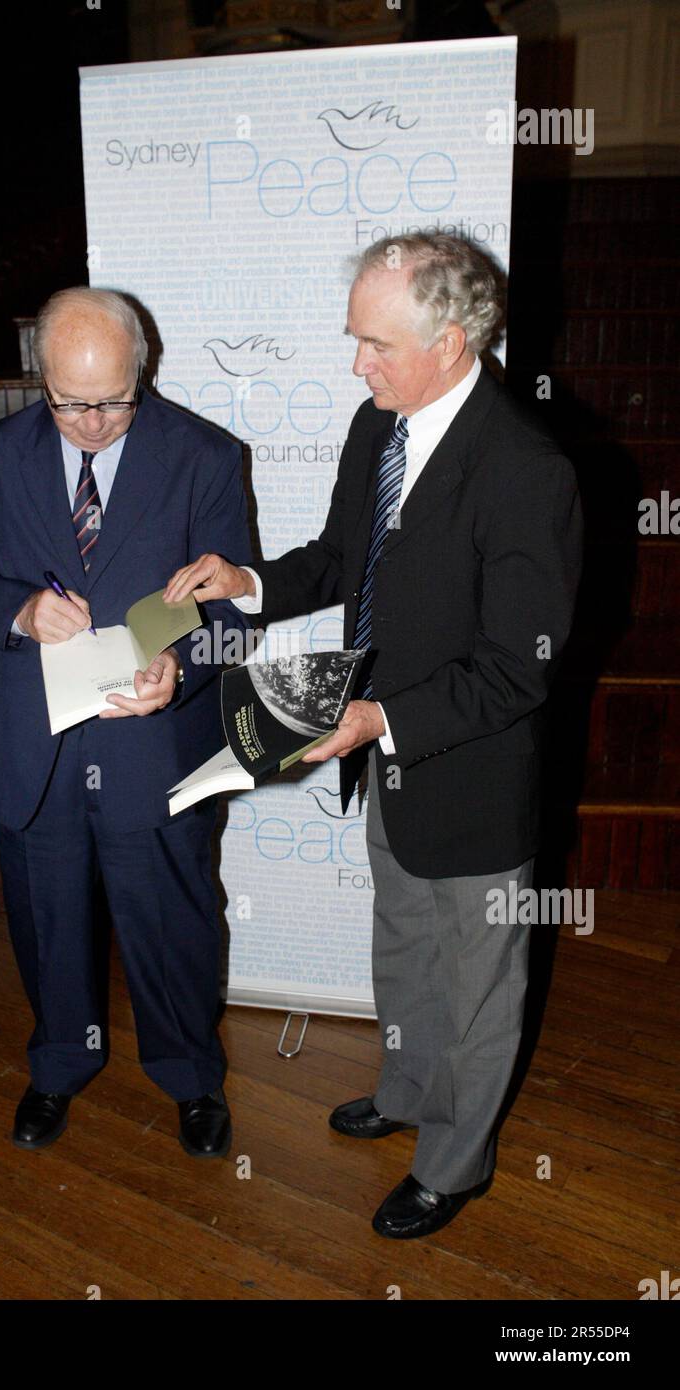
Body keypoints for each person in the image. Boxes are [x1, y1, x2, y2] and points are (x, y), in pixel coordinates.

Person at [164, 233, 583, 1237]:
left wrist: (378, 719)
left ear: (450, 341)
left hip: (469, 782)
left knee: (475, 989)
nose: (356, 365)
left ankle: (451, 1165)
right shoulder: (376, 426)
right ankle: (405, 1091)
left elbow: (516, 666)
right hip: (387, 766)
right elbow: (338, 558)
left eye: (375, 344)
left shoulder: (525, 469)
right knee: (400, 946)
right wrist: (246, 582)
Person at [0, 287, 252, 1157]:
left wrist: (179, 668)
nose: (93, 423)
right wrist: (17, 608)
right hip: (35, 751)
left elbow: (232, 612)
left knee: (173, 926)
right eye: (70, 403)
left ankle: (191, 1077)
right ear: (41, 378)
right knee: (46, 923)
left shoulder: (205, 457)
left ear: (143, 370)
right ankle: (60, 1064)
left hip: (154, 749)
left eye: (113, 401)